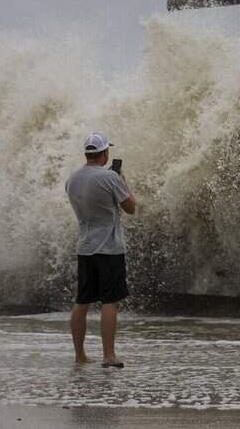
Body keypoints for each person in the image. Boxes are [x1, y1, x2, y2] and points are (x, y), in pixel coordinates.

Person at [64, 132, 136, 368]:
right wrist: (122, 180)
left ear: (87, 153)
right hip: (110, 248)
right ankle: (108, 355)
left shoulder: (72, 179)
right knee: (110, 301)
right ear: (104, 153)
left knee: (82, 301)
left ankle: (79, 355)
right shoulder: (110, 178)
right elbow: (131, 207)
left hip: (85, 247)